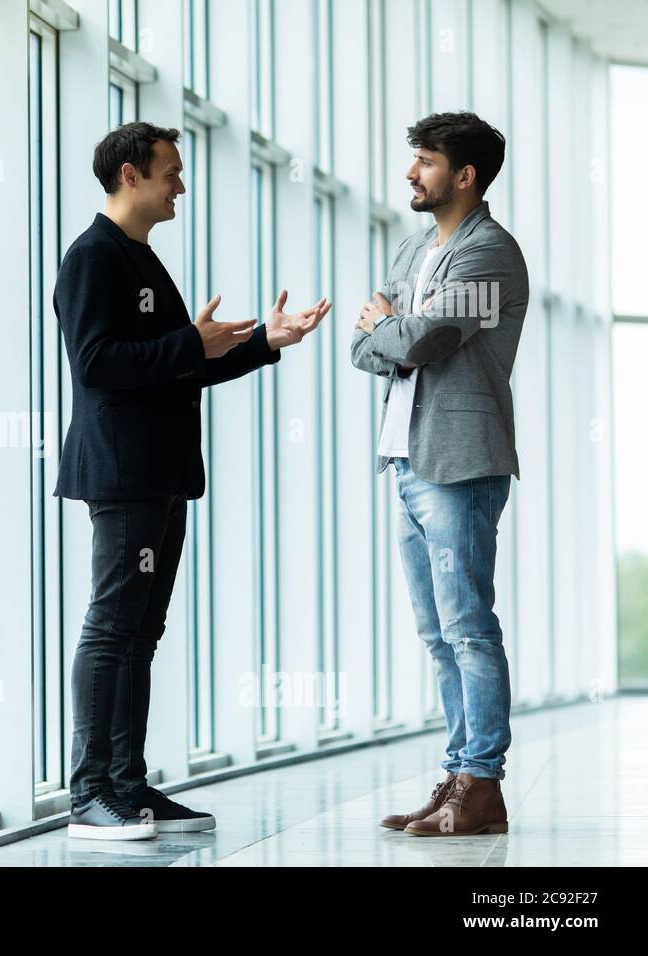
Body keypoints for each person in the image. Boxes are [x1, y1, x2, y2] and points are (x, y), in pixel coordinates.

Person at [54, 121, 330, 840]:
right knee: (113, 628)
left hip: (161, 475)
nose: (181, 185)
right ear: (129, 175)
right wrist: (187, 342)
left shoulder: (141, 258)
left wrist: (265, 342)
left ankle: (126, 783)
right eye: (170, 172)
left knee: (141, 631)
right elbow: (96, 364)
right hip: (122, 475)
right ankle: (89, 793)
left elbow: (182, 364)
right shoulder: (91, 258)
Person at [351, 112, 528, 836]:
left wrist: (386, 327)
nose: (409, 174)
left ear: (464, 175)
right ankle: (458, 774)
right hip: (406, 457)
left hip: (458, 462)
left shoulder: (490, 254)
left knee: (468, 628)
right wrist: (385, 332)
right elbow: (365, 350)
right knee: (437, 632)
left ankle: (483, 785)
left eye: (423, 161)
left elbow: (422, 339)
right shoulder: (414, 248)